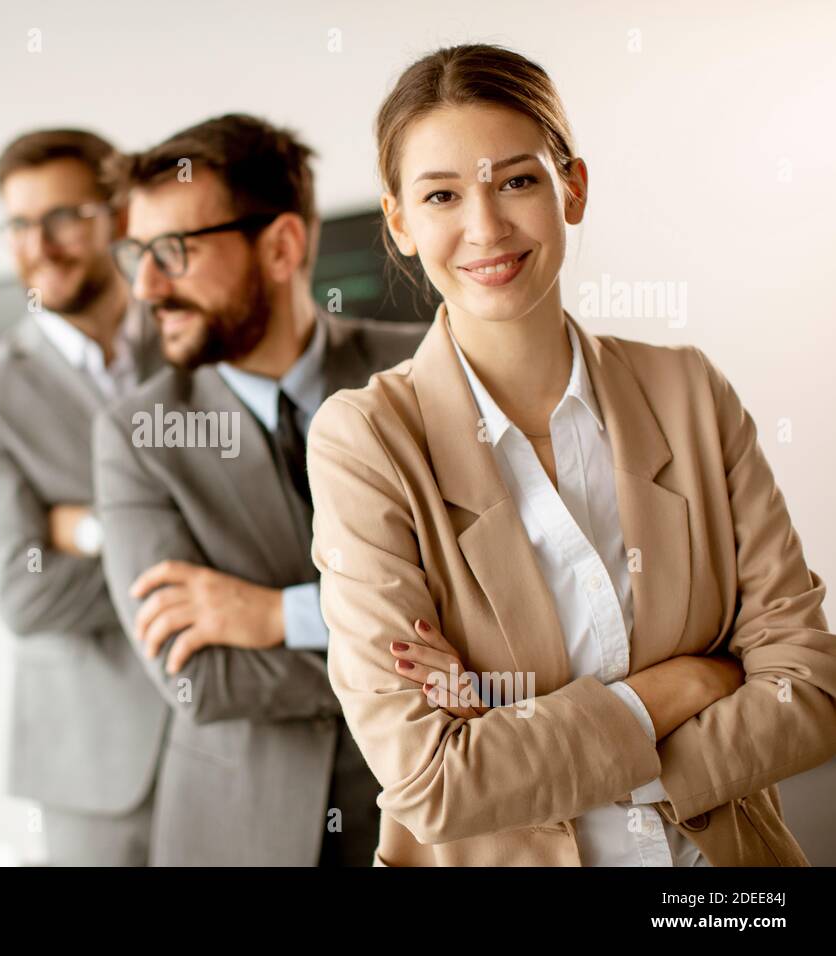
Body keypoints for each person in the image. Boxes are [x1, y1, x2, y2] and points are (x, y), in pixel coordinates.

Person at [307, 43, 836, 866]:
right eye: (442, 194)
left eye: (516, 180)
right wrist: (685, 685)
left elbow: (807, 689)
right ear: (401, 223)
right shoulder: (367, 440)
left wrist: (527, 740)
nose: (485, 226)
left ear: (572, 187)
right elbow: (434, 784)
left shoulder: (689, 392)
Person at [93, 114, 427, 865]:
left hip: (437, 815)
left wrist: (280, 614)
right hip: (241, 834)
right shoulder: (135, 433)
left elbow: (497, 614)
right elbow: (201, 679)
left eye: (173, 251)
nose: (145, 287)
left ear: (280, 246)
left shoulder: (423, 371)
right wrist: (418, 657)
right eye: (134, 254)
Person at [0, 129, 168, 865]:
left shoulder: (201, 341)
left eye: (64, 217)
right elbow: (24, 593)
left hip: (251, 741)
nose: (40, 245)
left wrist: (86, 532)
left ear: (119, 216)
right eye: (18, 224)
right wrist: (163, 551)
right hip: (96, 768)